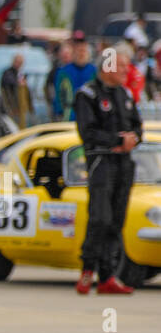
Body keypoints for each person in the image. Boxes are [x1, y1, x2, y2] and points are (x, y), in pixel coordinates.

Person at [74, 45, 143, 295]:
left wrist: (132, 138)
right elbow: (87, 132)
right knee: (100, 218)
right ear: (107, 67)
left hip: (124, 164)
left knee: (116, 221)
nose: (126, 71)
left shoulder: (125, 94)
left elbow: (138, 128)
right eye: (122, 66)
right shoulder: (88, 94)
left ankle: (107, 277)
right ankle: (87, 270)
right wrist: (117, 140)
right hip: (101, 162)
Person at [54, 37, 95, 120]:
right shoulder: (63, 72)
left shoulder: (94, 71)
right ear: (73, 53)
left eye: (83, 51)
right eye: (78, 51)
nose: (81, 54)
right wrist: (60, 112)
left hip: (90, 114)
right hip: (70, 114)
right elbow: (58, 94)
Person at [0, 54, 29, 127]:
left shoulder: (19, 73)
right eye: (17, 62)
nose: (19, 64)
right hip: (10, 107)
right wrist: (18, 83)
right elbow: (8, 83)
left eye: (21, 63)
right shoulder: (7, 72)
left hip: (18, 108)